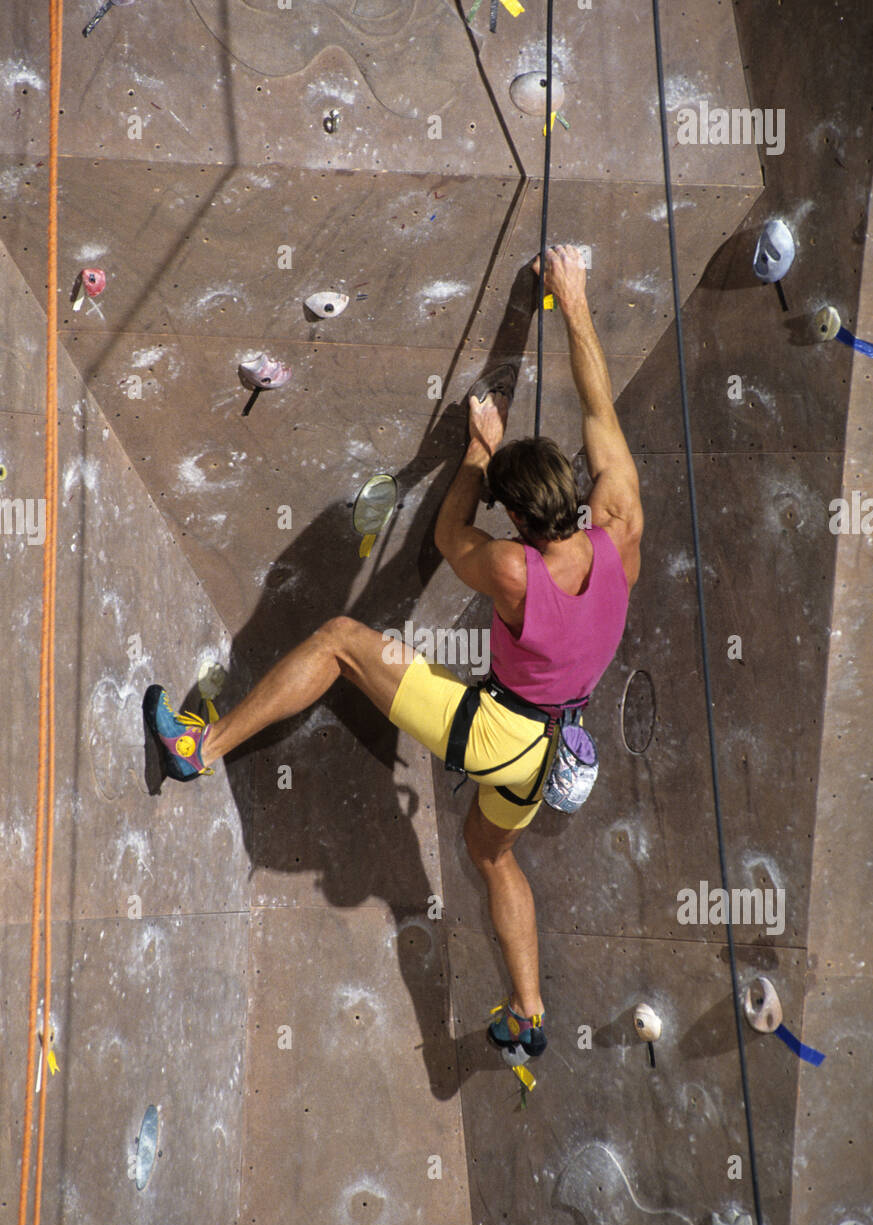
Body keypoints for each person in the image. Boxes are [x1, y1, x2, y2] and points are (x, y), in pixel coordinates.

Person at [144, 245, 643, 1064]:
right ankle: (525, 1011)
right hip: (550, 753)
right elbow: (600, 412)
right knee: (490, 853)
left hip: (500, 734)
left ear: (518, 521)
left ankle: (202, 748)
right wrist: (573, 298)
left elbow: (450, 538)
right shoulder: (618, 527)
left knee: (340, 642)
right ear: (580, 496)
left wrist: (479, 454)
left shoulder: (515, 571)